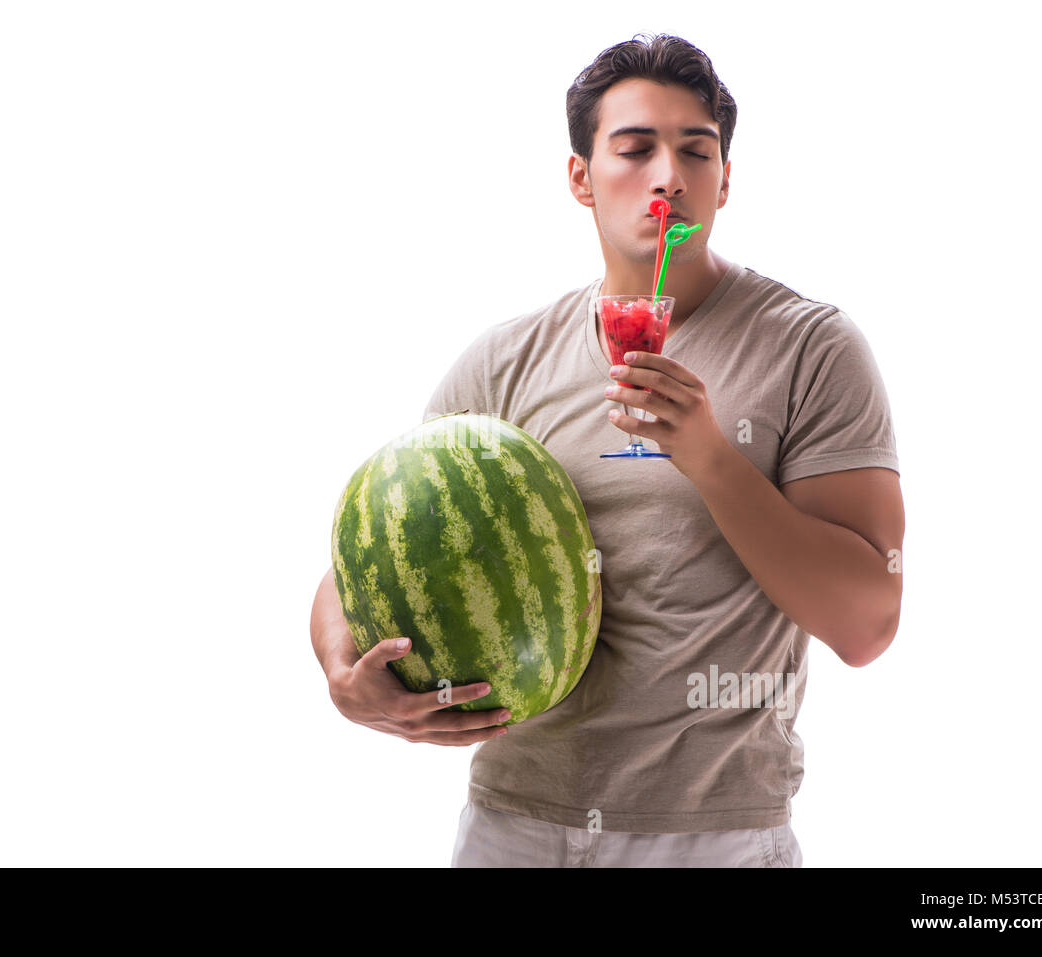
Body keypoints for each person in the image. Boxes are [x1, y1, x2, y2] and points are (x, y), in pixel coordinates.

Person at [310, 32, 904, 867]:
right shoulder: (505, 362)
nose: (670, 175)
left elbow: (868, 621)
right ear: (580, 178)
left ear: (725, 180)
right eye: (636, 149)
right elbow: (371, 557)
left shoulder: (810, 348)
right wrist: (344, 671)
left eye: (697, 151)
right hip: (511, 824)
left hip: (714, 838)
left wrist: (708, 457)